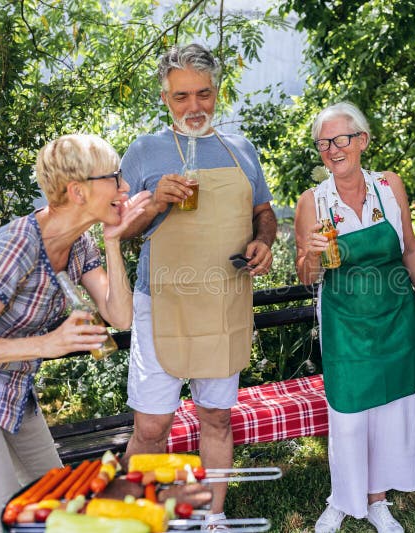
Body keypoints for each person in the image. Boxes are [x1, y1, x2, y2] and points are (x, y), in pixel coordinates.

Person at [0, 134, 151, 532]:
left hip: (13, 394)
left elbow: (120, 316)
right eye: (115, 177)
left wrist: (112, 243)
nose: (125, 187)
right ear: (77, 191)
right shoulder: (14, 250)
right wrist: (47, 344)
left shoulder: (79, 244)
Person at [120, 43, 277, 530]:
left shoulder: (242, 150)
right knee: (151, 425)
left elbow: (263, 213)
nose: (194, 107)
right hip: (161, 302)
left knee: (216, 417)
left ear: (216, 92)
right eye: (182, 96)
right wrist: (151, 205)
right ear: (165, 97)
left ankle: (212, 517)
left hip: (225, 301)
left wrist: (264, 242)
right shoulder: (144, 151)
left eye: (203, 94)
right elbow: (116, 231)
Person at [295, 102, 415, 533]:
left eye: (341, 139)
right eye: (324, 143)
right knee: (350, 415)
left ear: (362, 141)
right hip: (345, 322)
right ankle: (342, 498)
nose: (333, 150)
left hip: (395, 316)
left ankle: (377, 501)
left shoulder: (389, 187)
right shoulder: (312, 202)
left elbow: (409, 248)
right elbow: (306, 275)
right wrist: (313, 256)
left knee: (390, 410)